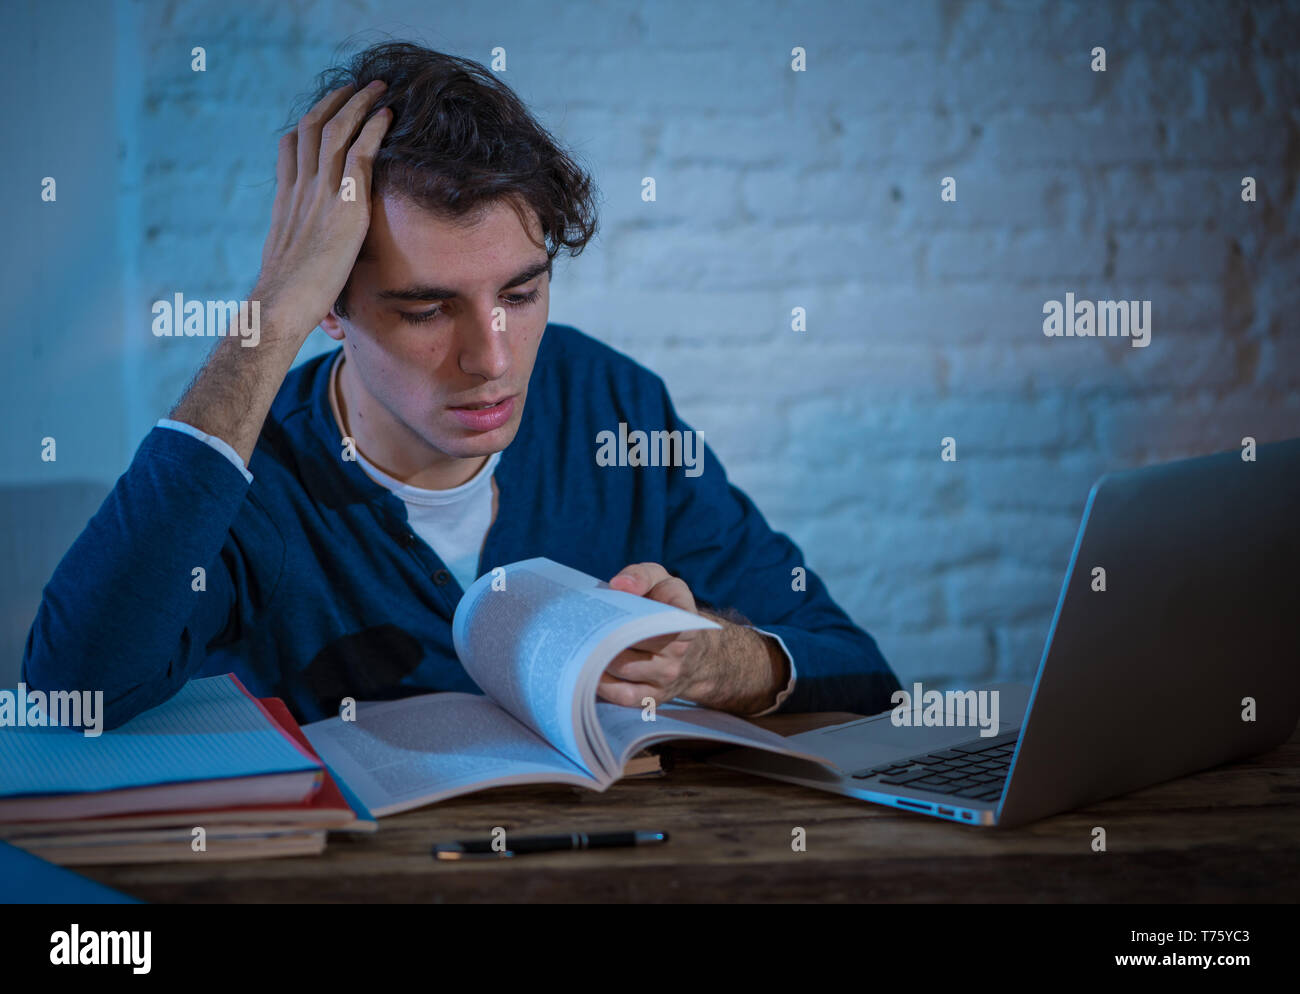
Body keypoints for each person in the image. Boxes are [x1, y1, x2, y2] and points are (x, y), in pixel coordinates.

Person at [22, 42, 900, 730]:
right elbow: (74, 692)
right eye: (424, 309)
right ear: (329, 308)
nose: (492, 357)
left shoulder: (611, 405)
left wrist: (713, 662)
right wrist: (269, 315)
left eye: (521, 294)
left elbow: (859, 675)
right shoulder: (256, 473)